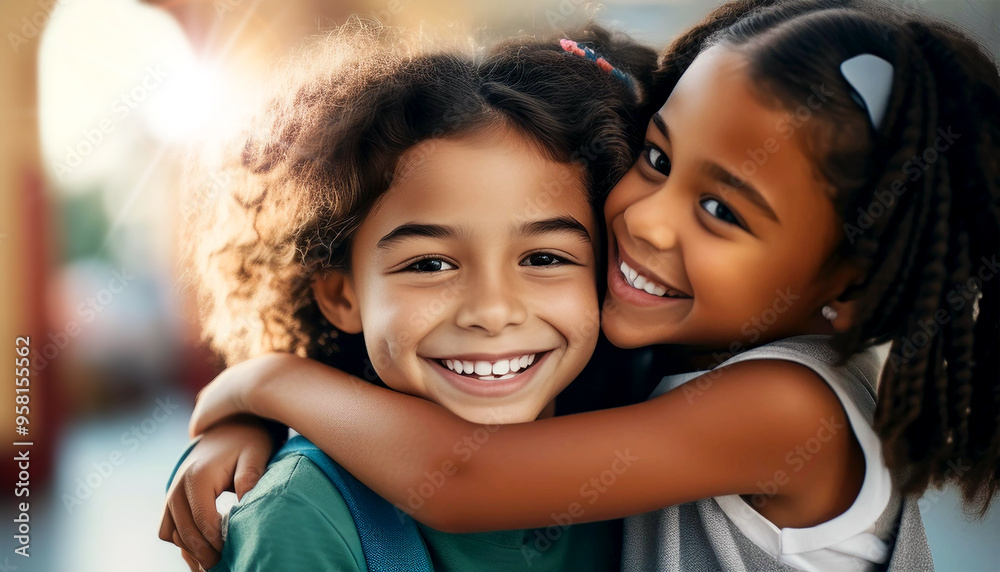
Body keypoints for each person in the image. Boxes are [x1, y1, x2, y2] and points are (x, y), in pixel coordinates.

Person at [165, 1, 1000, 570]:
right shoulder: (644, 372)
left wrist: (267, 382)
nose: (644, 219)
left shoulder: (793, 410)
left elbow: (460, 478)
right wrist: (252, 436)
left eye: (720, 208)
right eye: (659, 159)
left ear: (847, 287)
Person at [160, 21, 662, 572]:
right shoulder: (302, 518)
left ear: (605, 273)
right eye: (430, 264)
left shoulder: (650, 425)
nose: (492, 312)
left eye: (544, 258)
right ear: (342, 296)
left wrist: (262, 387)